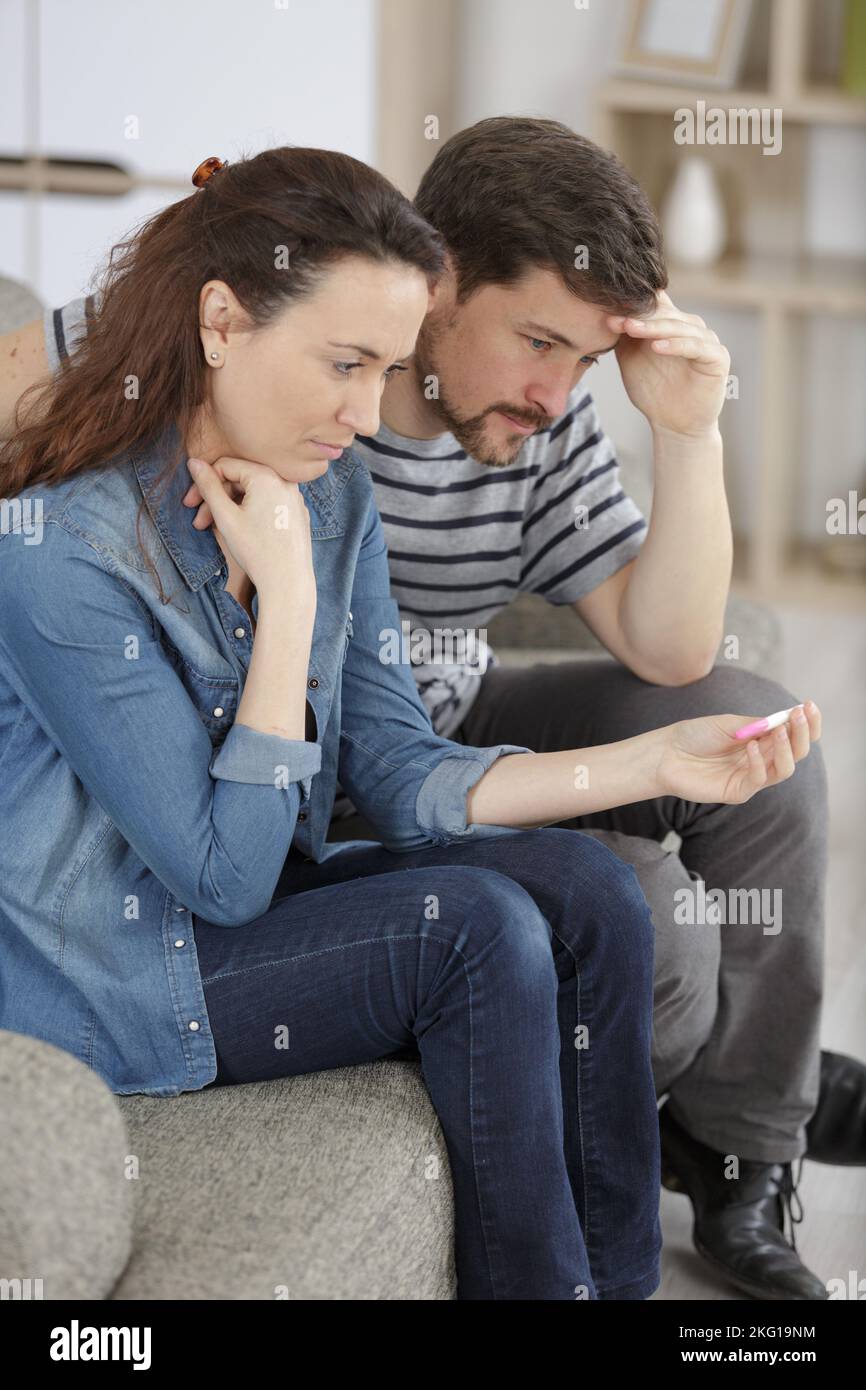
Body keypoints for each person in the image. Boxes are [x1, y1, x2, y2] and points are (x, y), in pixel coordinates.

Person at [0, 142, 824, 1301]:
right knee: (470, 926)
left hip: (247, 896)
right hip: (120, 970)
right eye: (341, 363)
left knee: (585, 894)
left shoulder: (330, 486)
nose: (360, 413)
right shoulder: (61, 561)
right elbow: (223, 881)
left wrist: (652, 758)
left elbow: (394, 767)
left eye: (379, 368)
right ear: (221, 323)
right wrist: (286, 607)